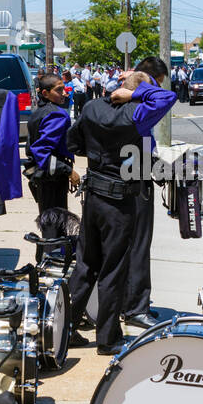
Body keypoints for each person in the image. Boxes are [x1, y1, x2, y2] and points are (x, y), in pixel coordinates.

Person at [67, 70, 177, 354]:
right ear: (137, 92)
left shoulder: (92, 107)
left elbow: (73, 142)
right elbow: (168, 96)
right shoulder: (137, 114)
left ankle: (64, 328)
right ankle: (108, 338)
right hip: (119, 199)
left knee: (85, 265)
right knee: (113, 270)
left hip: (93, 195)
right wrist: (136, 94)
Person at [122, 54, 174, 329]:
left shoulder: (113, 95)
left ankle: (122, 302)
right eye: (158, 83)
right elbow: (167, 98)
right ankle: (137, 307)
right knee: (139, 245)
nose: (159, 89)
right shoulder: (140, 100)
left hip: (114, 176)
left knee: (122, 246)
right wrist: (144, 83)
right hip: (135, 175)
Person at [25, 73, 79, 258]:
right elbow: (41, 150)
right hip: (51, 178)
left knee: (52, 223)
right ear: (45, 93)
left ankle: (50, 261)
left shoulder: (39, 112)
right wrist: (68, 171)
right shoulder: (56, 114)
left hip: (45, 176)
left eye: (64, 88)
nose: (64, 93)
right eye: (59, 90)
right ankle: (50, 265)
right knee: (53, 227)